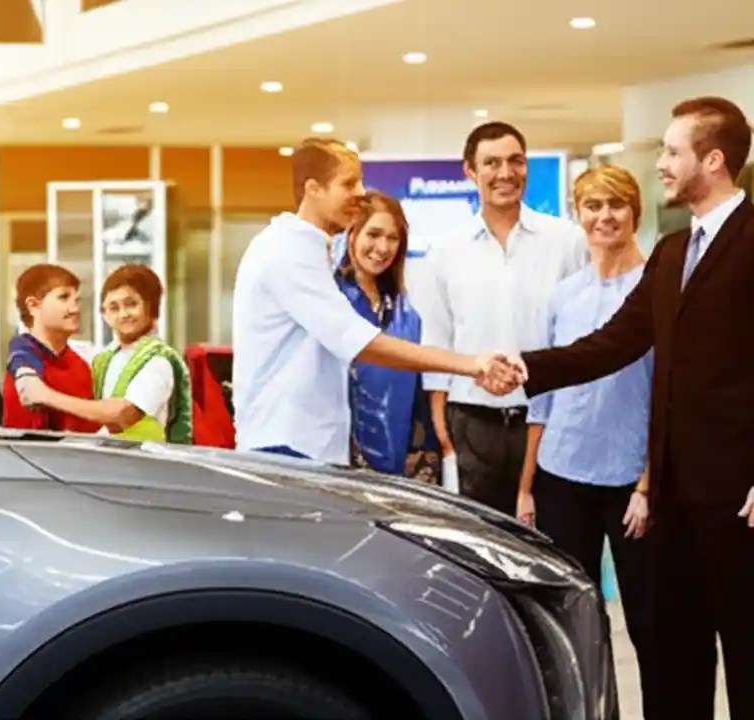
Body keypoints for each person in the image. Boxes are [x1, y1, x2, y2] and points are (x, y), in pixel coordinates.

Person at [497, 96, 753, 720]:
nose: (660, 164)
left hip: (739, 496)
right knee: (673, 651)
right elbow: (613, 343)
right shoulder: (671, 253)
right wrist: (527, 366)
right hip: (672, 495)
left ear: (712, 160)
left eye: (671, 151)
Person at [230, 137, 519, 464]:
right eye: (348, 183)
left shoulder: (317, 252)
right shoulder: (287, 251)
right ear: (314, 189)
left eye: (393, 238)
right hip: (286, 448)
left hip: (322, 449)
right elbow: (358, 341)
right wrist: (471, 364)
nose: (360, 192)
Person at [515, 165, 652, 694]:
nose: (604, 217)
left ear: (634, 211)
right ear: (578, 216)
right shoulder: (564, 295)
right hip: (563, 472)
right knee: (573, 621)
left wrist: (646, 484)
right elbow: (543, 402)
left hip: (629, 481)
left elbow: (667, 396)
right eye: (592, 206)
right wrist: (528, 486)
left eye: (615, 204)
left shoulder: (654, 290)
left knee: (646, 618)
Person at [414, 121, 588, 514]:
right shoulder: (446, 251)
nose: (506, 173)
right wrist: (441, 425)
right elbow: (438, 338)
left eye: (516, 161)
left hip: (550, 420)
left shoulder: (567, 241)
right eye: (491, 163)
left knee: (552, 537)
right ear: (470, 171)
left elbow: (580, 333)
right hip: (472, 420)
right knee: (480, 542)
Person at [16, 264, 193, 443]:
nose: (123, 314)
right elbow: (36, 342)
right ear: (104, 314)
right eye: (114, 307)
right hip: (110, 463)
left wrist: (45, 396)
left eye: (131, 304)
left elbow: (123, 415)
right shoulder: (103, 358)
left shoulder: (159, 361)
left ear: (151, 307)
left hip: (147, 465)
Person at [335, 191, 439, 480]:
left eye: (393, 238)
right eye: (374, 234)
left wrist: (423, 455)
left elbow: (418, 390)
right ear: (352, 234)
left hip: (399, 467)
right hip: (340, 464)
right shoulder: (332, 300)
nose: (382, 247)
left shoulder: (405, 310)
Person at [0, 263, 101, 434]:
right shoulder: (25, 361)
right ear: (33, 306)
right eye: (63, 297)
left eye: (77, 300)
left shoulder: (81, 364)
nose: (75, 308)